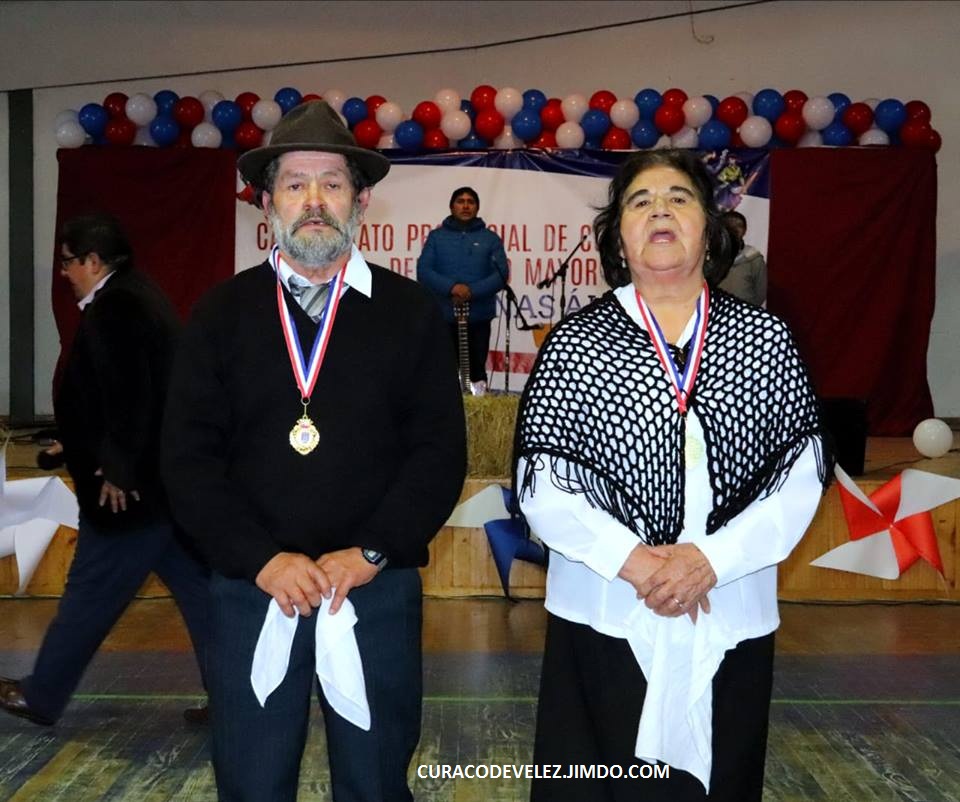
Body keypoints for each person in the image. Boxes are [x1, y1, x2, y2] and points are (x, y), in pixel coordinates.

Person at [161, 101, 467, 802]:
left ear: (362, 200)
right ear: (267, 202)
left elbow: (437, 453)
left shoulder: (410, 314)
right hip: (251, 590)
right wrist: (262, 560)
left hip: (374, 589)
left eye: (332, 183)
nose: (314, 201)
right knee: (252, 782)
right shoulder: (220, 314)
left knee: (375, 782)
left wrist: (371, 552)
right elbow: (188, 460)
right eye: (295, 184)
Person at [514, 150, 830, 801]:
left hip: (727, 607)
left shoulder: (764, 340)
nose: (660, 210)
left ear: (710, 230)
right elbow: (542, 483)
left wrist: (710, 561)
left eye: (679, 198)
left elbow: (799, 478)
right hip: (605, 612)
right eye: (641, 201)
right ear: (618, 239)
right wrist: (636, 563)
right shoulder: (576, 344)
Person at [0, 213, 210, 727]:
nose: (64, 273)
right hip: (161, 488)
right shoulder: (137, 294)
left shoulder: (117, 307)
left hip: (128, 494)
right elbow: (117, 395)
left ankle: (42, 696)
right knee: (204, 597)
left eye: (68, 262)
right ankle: (238, 699)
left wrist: (117, 469)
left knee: (91, 594)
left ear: (93, 261)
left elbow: (132, 397)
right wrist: (71, 443)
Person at [416, 186, 508, 394]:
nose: (465, 206)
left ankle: (478, 408)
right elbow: (424, 271)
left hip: (479, 317)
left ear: (477, 208)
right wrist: (452, 288)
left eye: (470, 202)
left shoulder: (490, 239)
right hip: (443, 315)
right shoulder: (437, 237)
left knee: (477, 371)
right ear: (452, 207)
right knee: (442, 369)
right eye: (460, 201)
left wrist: (471, 291)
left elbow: (501, 274)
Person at [717, 210, 767, 306]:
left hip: (745, 311)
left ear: (744, 231)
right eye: (729, 225)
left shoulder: (754, 259)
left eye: (738, 226)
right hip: (716, 311)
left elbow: (760, 294)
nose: (734, 230)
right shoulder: (710, 257)